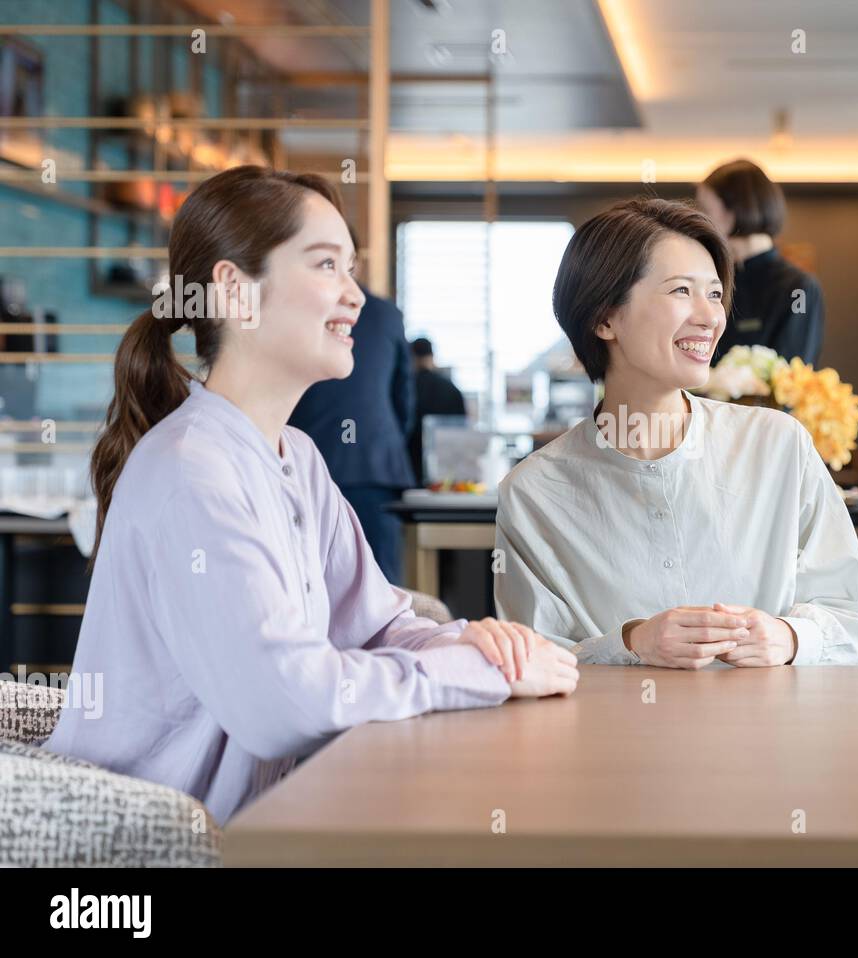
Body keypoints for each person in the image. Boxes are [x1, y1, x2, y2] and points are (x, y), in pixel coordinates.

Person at [45, 166, 577, 826]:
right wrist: (479, 675)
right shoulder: (192, 472)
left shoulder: (294, 455)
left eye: (350, 268)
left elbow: (376, 624)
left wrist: (485, 646)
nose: (355, 296)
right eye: (327, 265)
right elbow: (284, 708)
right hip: (143, 848)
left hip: (253, 828)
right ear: (236, 293)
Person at [494, 197, 858, 669]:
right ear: (604, 318)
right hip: (613, 742)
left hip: (776, 735)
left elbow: (855, 622)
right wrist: (632, 643)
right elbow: (532, 661)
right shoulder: (535, 492)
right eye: (681, 291)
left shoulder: (778, 445)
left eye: (715, 294)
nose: (710, 317)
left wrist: (789, 638)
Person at [289, 251, 415, 584]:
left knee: (310, 577)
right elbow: (404, 397)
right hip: (375, 465)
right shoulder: (388, 314)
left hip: (309, 456)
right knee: (381, 581)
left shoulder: (301, 313)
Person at [695, 158, 824, 365]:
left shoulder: (798, 288)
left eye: (705, 210)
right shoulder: (713, 277)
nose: (699, 220)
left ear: (735, 209)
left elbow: (791, 376)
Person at [407, 336, 467, 482]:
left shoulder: (407, 387)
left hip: (411, 464)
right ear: (432, 356)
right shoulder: (451, 388)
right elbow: (462, 428)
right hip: (446, 466)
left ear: (412, 356)